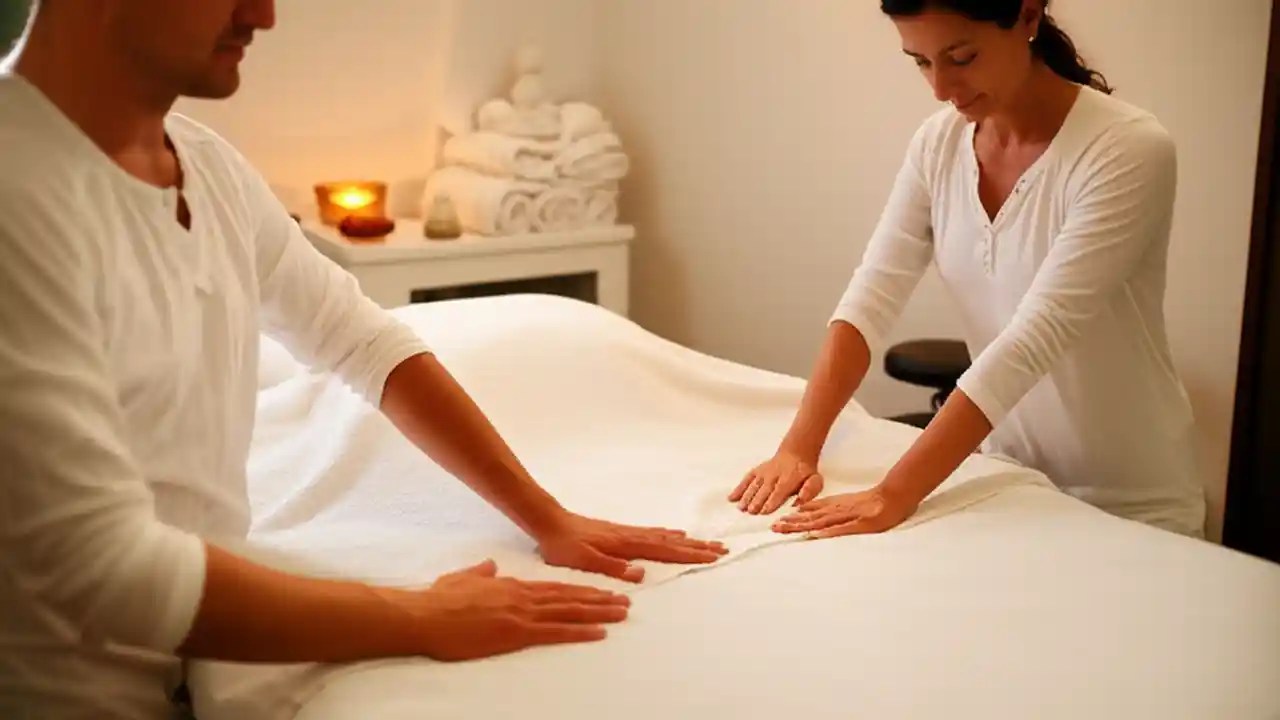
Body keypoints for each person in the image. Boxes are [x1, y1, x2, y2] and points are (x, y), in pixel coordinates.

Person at [0, 1, 727, 716]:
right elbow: (97, 564)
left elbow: (363, 340)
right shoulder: (17, 189)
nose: (264, 15)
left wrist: (547, 517)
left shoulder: (207, 167)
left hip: (190, 669)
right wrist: (418, 616)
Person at [730, 0, 1206, 540]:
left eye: (961, 56)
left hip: (1130, 501)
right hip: (1007, 481)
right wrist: (799, 448)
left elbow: (1032, 338)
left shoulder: (1126, 150)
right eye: (921, 62)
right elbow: (870, 296)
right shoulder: (938, 145)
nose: (940, 87)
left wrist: (893, 493)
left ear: (1027, 17)